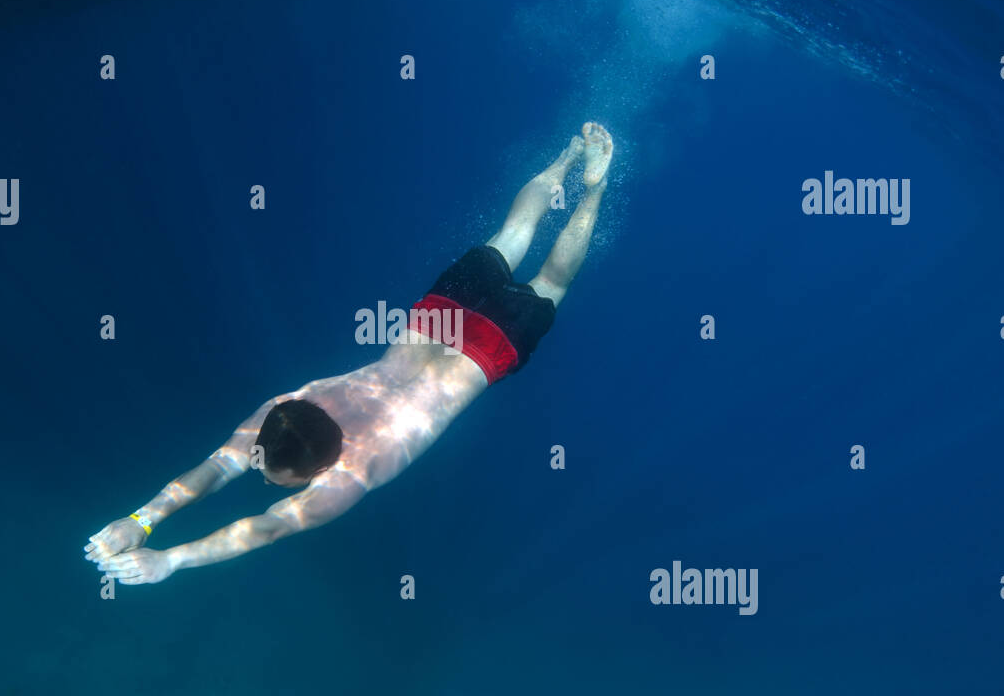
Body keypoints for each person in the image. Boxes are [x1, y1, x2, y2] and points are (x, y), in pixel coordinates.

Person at [84, 122, 614, 584]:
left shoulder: (349, 474)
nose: (263, 477)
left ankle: (589, 184)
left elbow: (266, 526)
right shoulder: (283, 414)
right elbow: (225, 465)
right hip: (434, 326)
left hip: (481, 354)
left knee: (550, 277)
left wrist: (169, 559)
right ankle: (574, 165)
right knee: (513, 234)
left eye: (272, 477)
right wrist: (141, 521)